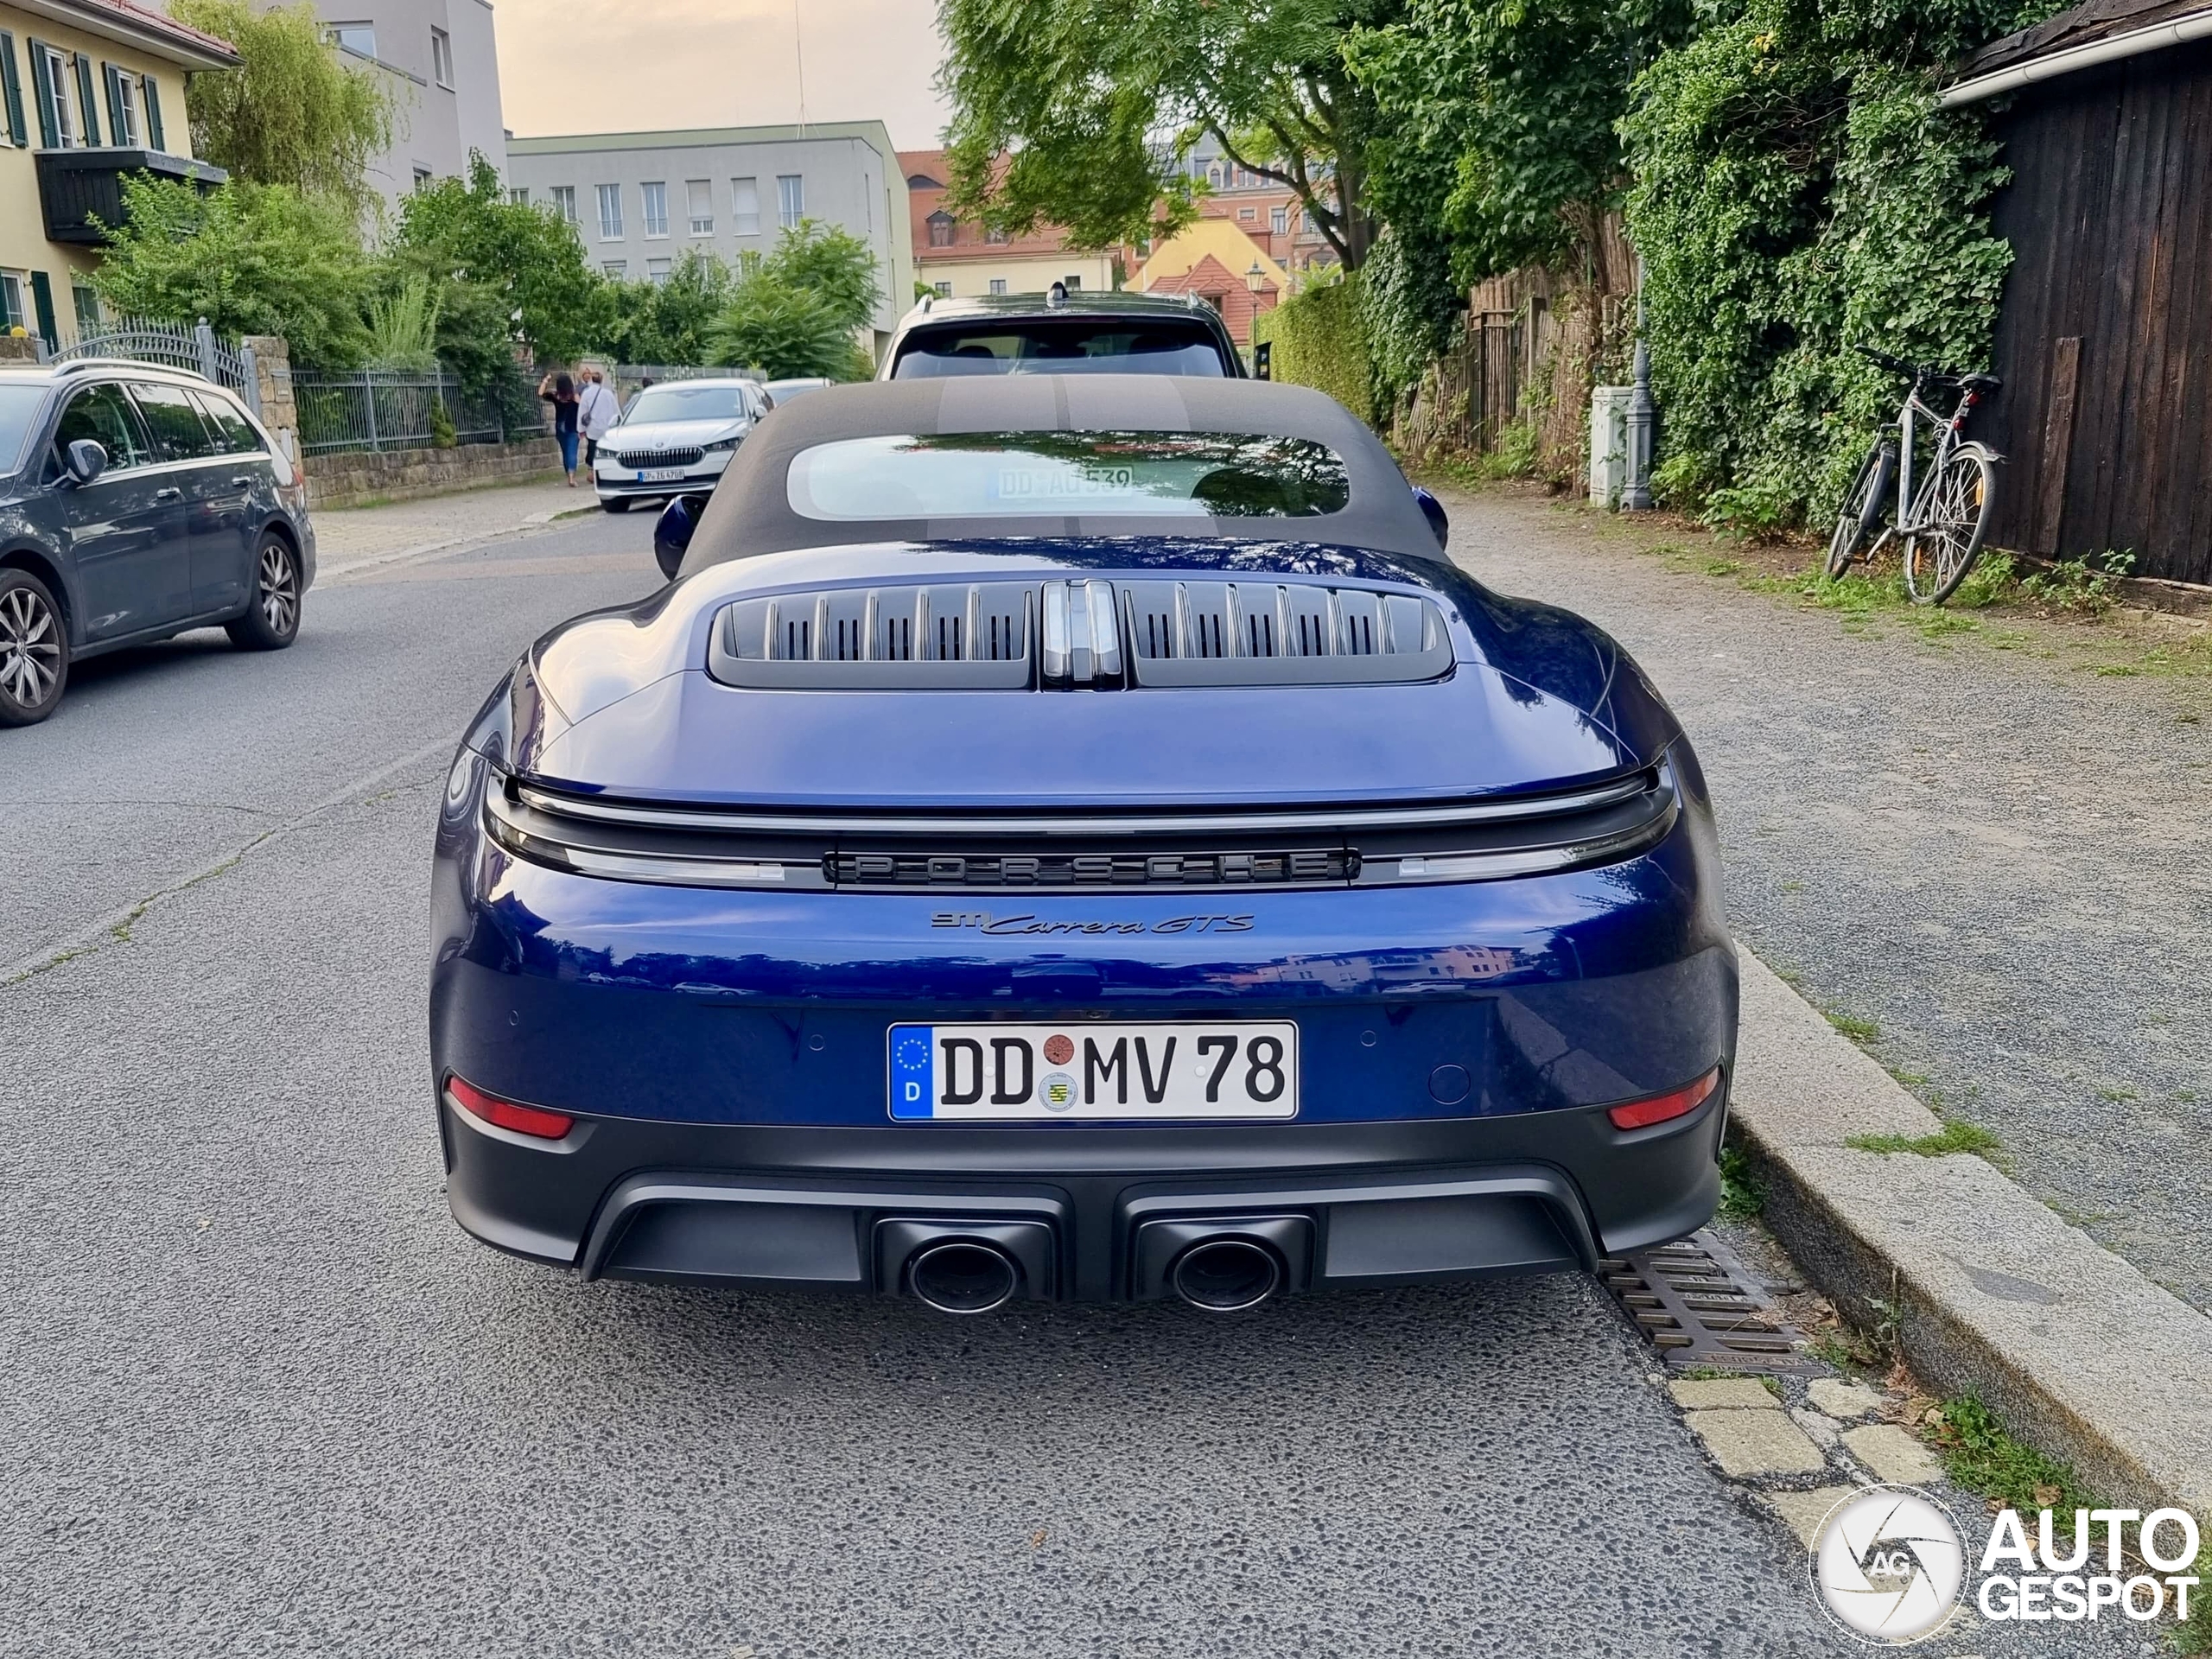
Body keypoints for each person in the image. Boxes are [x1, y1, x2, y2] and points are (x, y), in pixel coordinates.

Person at [538, 369, 581, 485]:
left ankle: (569, 474)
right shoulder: (574, 397)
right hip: (573, 427)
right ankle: (571, 477)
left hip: (560, 426)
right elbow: (582, 408)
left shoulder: (556, 396)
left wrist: (546, 380)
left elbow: (540, 393)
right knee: (572, 452)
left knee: (565, 452)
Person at [577, 368, 619, 470]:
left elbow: (582, 411)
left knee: (592, 448)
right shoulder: (608, 393)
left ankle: (592, 469)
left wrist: (581, 429)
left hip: (592, 427)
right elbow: (616, 410)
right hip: (607, 427)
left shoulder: (586, 393)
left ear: (591, 379)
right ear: (601, 380)